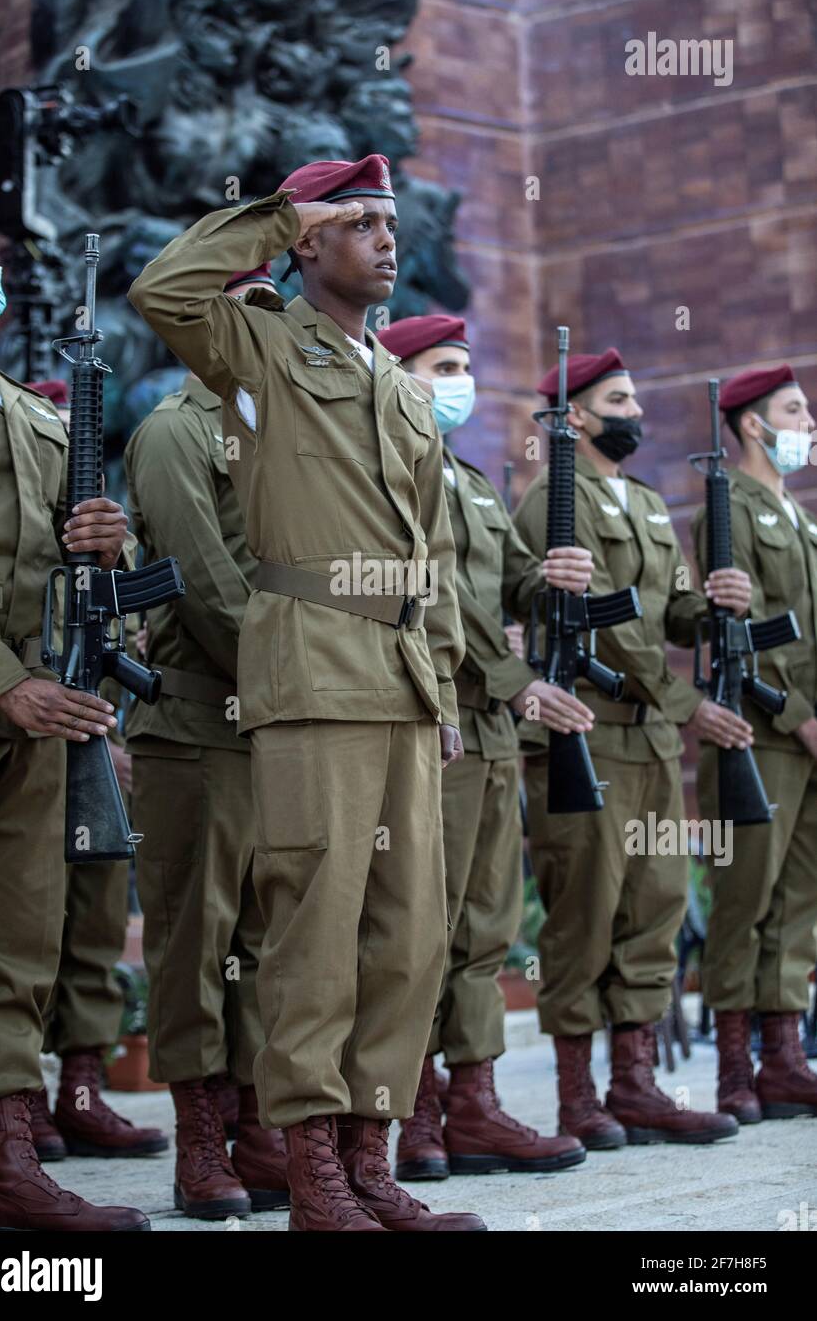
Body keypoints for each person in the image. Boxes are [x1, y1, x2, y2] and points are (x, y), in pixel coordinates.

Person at [129, 154, 485, 1231]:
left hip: (400, 678)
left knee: (406, 930)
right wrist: (284, 211)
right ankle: (309, 1163)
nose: (382, 239)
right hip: (311, 664)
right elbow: (165, 291)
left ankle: (373, 1159)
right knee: (313, 928)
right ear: (309, 243)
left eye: (388, 224)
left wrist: (447, 688)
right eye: (357, 222)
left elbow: (428, 550)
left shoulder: (397, 385)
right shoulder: (263, 350)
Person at [0, 184, 148, 1230]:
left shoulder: (32, 410)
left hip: (42, 711)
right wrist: (0, 676)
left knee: (20, 938)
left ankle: (8, 1151)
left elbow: (68, 564)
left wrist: (107, 546)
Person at [513, 346, 750, 1149]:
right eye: (618, 399)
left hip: (647, 743)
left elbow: (670, 617)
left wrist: (718, 605)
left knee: (653, 907)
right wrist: (688, 704)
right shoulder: (555, 496)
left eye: (635, 399)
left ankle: (637, 1084)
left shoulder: (648, 502)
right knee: (585, 912)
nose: (635, 414)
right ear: (574, 417)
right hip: (589, 731)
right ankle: (580, 1096)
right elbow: (595, 623)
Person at [378, 315, 591, 1180]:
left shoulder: (467, 478)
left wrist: (552, 577)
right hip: (444, 715)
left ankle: (475, 1103)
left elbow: (503, 580)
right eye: (445, 367)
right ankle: (421, 1111)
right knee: (428, 920)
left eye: (466, 365)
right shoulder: (394, 460)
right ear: (401, 376)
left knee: (488, 924)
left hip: (497, 725)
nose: (462, 381)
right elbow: (426, 588)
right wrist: (513, 678)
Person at [124, 265, 289, 1220]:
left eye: (274, 315)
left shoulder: (290, 437)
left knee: (268, 940)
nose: (262, 332)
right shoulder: (173, 431)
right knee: (198, 939)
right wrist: (296, 677)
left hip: (278, 721)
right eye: (245, 314)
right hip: (199, 723)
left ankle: (262, 1128)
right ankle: (199, 1142)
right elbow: (200, 577)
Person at [11, 379, 168, 1165]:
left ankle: (80, 1091)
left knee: (98, 927)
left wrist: (116, 549)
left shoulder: (101, 531)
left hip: (101, 739)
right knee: (23, 930)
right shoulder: (10, 520)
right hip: (26, 736)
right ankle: (21, 1102)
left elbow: (132, 630)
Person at [692, 364, 817, 1122]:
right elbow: (744, 628)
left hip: (806, 736)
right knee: (747, 896)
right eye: (796, 410)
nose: (810, 423)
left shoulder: (800, 514)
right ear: (751, 424)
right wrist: (801, 715)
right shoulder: (730, 504)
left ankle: (787, 1057)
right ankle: (735, 1069)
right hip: (762, 729)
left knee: (800, 898)